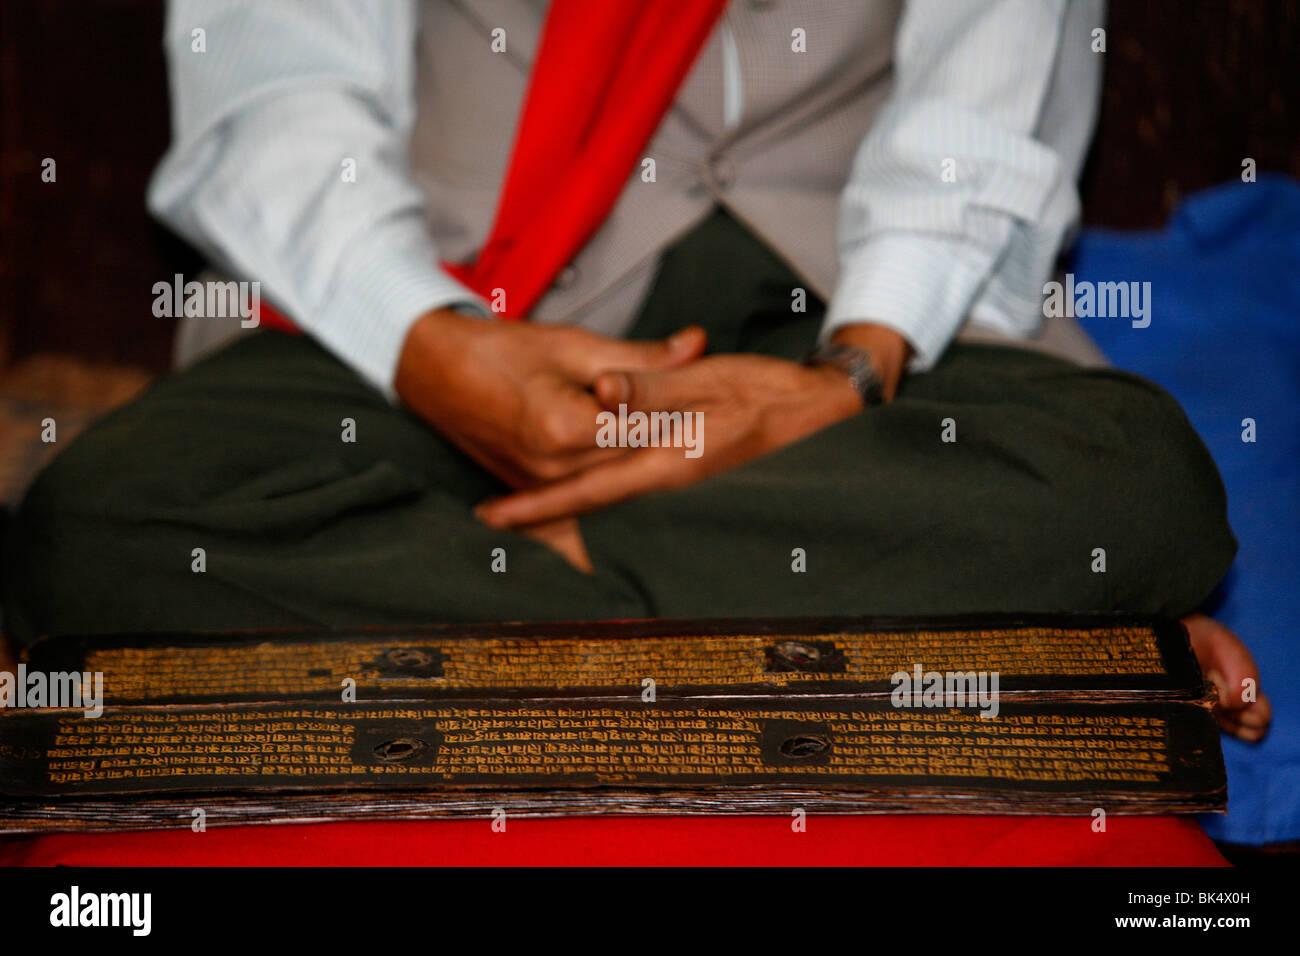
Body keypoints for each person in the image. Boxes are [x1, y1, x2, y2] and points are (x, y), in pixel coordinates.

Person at [0, 0, 1268, 739]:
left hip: (858, 299)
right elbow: (279, 82)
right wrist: (429, 343)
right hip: (469, 292)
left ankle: (447, 566)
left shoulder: (862, 338)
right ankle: (952, 597)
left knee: (1138, 486)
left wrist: (850, 377)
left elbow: (987, 98)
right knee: (85, 527)